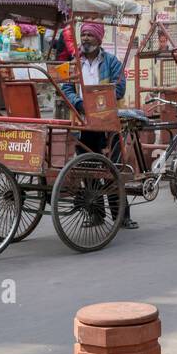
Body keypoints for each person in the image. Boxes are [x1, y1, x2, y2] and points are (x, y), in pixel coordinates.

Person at [60, 20, 136, 229]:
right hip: (83, 123)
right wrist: (80, 103)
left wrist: (97, 101)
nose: (85, 39)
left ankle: (122, 216)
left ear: (99, 38)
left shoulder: (111, 62)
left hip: (107, 123)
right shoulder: (75, 62)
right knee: (88, 170)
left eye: (90, 35)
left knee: (112, 170)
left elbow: (119, 88)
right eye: (83, 35)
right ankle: (96, 214)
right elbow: (66, 88)